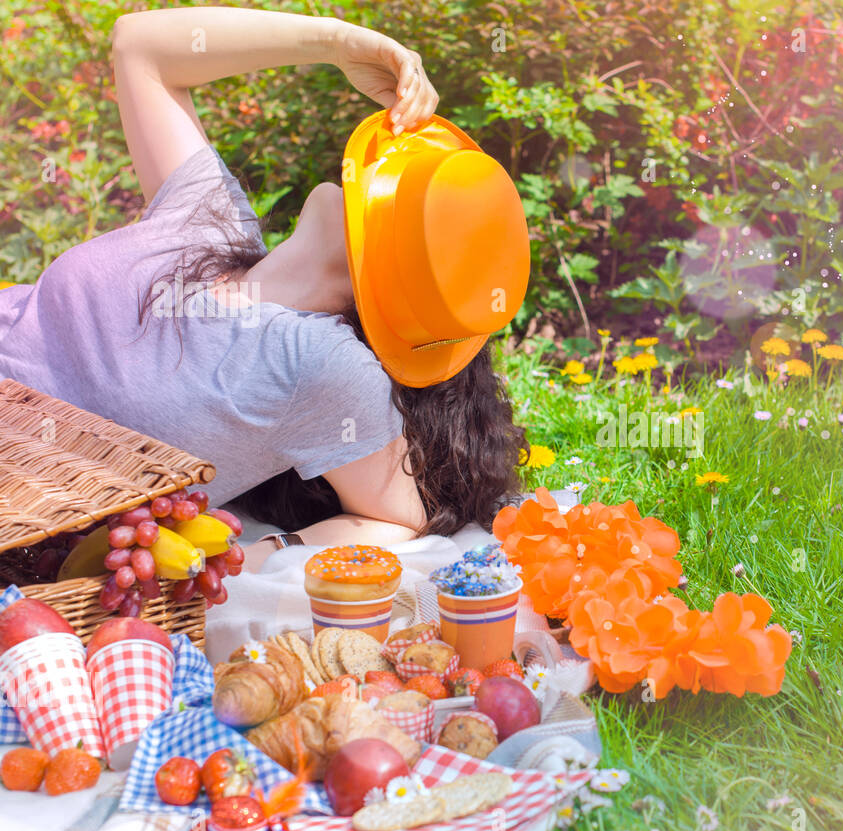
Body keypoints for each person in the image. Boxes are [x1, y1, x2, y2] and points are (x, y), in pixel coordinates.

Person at [0, 7, 527, 573]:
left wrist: (255, 555)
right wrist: (338, 42)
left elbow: (400, 520)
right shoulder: (213, 221)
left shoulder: (320, 363)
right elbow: (139, 46)